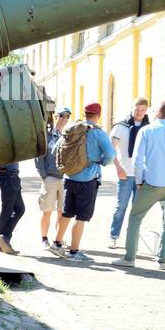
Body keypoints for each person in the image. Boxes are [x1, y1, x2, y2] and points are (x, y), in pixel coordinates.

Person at [114, 101, 165, 268]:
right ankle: (161, 260)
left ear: (156, 112)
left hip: (152, 183)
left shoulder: (146, 130)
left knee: (135, 217)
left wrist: (139, 181)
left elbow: (138, 159)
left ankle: (129, 258)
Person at [51, 102, 115, 263]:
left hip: (69, 178)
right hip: (88, 178)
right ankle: (74, 252)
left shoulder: (71, 128)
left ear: (85, 113)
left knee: (66, 212)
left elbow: (54, 150)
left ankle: (57, 243)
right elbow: (110, 154)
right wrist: (101, 162)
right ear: (98, 115)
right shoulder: (98, 133)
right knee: (81, 217)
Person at [108, 98, 150, 248]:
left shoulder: (149, 128)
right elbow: (110, 149)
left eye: (143, 110)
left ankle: (132, 239)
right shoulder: (121, 126)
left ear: (146, 110)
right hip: (125, 174)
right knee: (121, 207)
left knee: (137, 209)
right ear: (132, 108)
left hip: (142, 176)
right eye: (137, 109)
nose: (139, 113)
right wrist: (118, 167)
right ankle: (114, 235)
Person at [35, 107, 71, 251]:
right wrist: (44, 176)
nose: (64, 119)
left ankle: (58, 239)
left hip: (65, 179)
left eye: (67, 117)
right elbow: (39, 157)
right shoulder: (47, 135)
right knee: (47, 210)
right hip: (49, 178)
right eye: (62, 116)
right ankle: (44, 239)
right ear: (56, 116)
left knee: (62, 211)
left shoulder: (68, 136)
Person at [0, 162, 25, 254]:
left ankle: (3, 240)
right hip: (8, 175)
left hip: (12, 175)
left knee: (19, 209)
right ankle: (1, 242)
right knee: (7, 210)